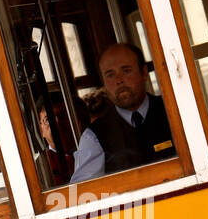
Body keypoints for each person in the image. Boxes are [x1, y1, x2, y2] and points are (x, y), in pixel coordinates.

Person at [70, 43, 176, 183]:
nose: (119, 80)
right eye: (110, 75)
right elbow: (82, 193)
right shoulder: (94, 136)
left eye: (126, 70)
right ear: (103, 82)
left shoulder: (174, 111)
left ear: (144, 73)